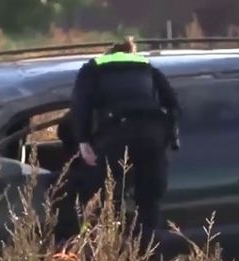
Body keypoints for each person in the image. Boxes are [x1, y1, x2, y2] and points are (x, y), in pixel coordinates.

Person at [54, 37, 181, 248]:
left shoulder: (93, 69)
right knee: (149, 202)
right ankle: (147, 250)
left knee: (94, 195)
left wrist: (83, 141)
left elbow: (80, 106)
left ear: (108, 52)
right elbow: (174, 104)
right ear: (131, 52)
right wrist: (168, 136)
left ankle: (86, 244)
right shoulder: (147, 68)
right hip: (152, 138)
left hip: (116, 135)